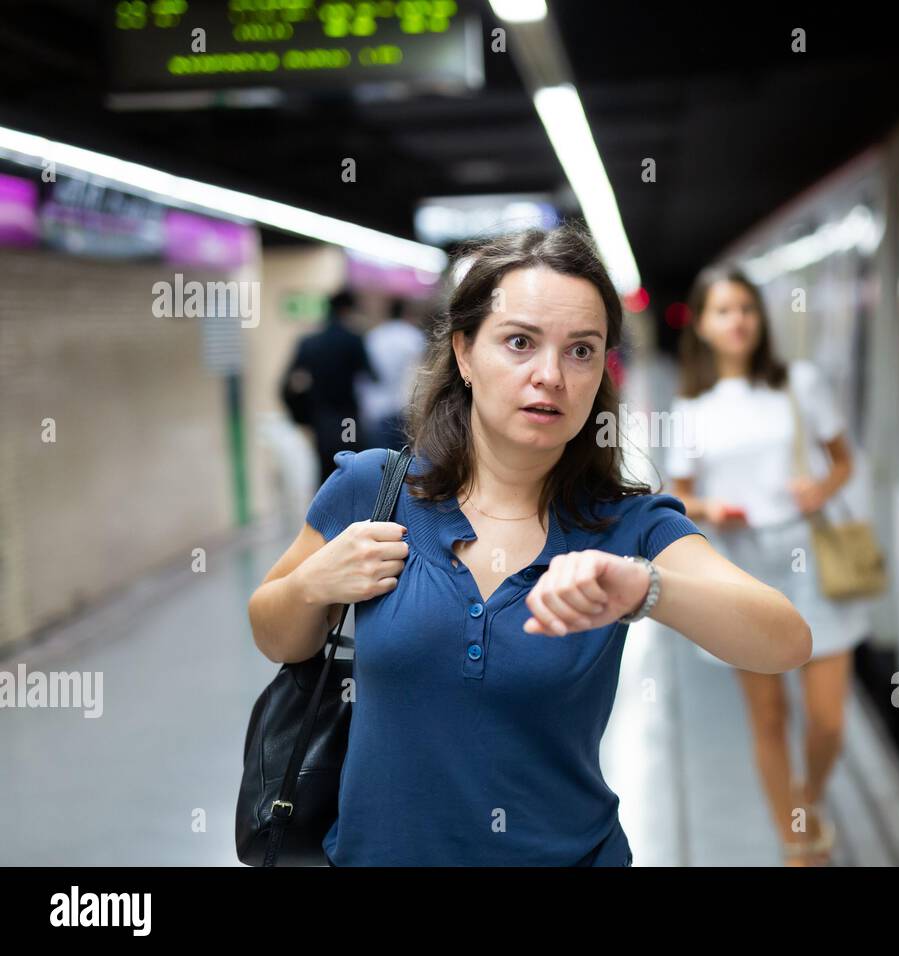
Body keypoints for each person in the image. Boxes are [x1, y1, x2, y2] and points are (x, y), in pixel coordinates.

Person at [247, 224, 812, 866]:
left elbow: (784, 641)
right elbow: (275, 635)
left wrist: (645, 589)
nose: (551, 376)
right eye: (520, 343)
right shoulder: (372, 489)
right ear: (464, 353)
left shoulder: (628, 525)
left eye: (581, 351)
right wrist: (311, 585)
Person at [666, 265, 864, 866]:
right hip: (742, 569)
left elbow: (843, 462)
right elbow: (680, 497)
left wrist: (820, 490)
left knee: (828, 721)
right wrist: (709, 509)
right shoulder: (691, 407)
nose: (738, 321)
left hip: (812, 559)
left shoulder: (799, 384)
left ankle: (808, 797)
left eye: (746, 309)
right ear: (700, 325)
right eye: (723, 311)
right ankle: (796, 845)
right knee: (769, 718)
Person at [279, 289, 377, 487]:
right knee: (351, 466)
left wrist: (301, 415)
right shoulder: (353, 340)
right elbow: (373, 376)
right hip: (347, 419)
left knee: (325, 472)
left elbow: (286, 386)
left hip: (321, 419)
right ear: (347, 310)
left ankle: (324, 514)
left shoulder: (309, 343)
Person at [358, 296, 428, 451]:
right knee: (403, 460)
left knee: (378, 459)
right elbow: (418, 376)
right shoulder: (413, 337)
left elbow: (365, 375)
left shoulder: (374, 336)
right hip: (404, 408)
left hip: (375, 408)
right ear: (406, 313)